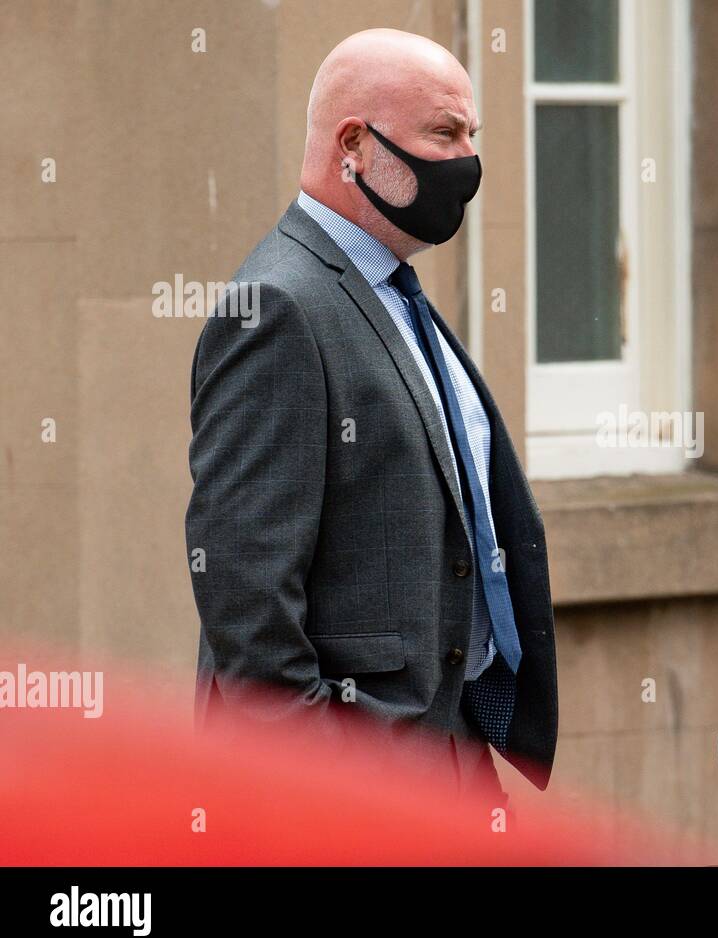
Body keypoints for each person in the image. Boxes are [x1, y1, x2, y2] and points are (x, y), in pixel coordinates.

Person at [186, 29, 558, 808]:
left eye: (471, 136)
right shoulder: (280, 308)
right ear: (354, 143)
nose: (465, 161)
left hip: (451, 756)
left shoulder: (392, 292)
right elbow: (246, 595)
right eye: (443, 134)